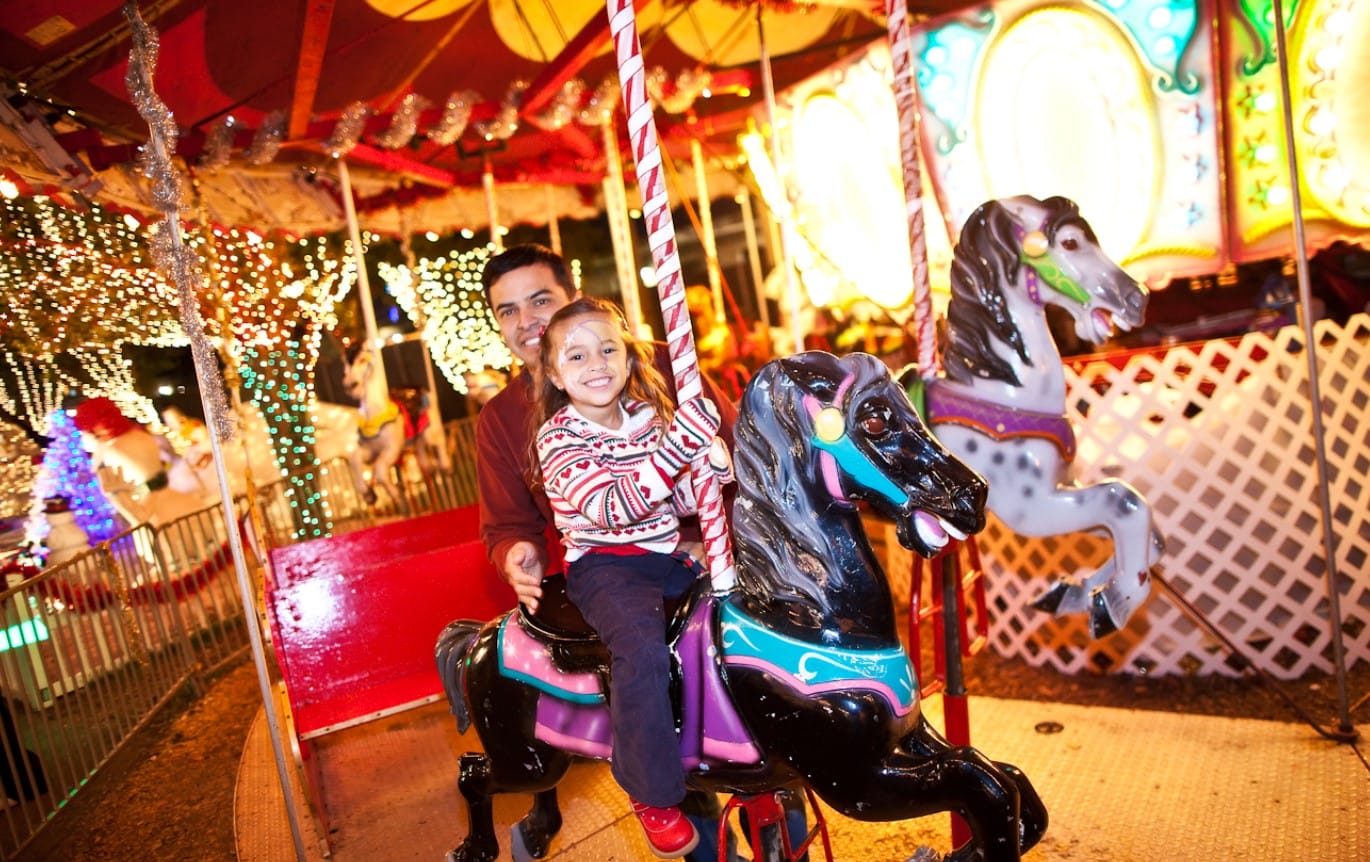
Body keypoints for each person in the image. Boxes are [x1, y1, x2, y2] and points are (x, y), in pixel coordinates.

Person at [474, 243, 742, 862]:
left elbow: (734, 463)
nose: (526, 321)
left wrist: (711, 481)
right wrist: (517, 552)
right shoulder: (517, 424)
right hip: (613, 565)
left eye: (540, 299)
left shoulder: (658, 374)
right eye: (507, 311)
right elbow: (513, 523)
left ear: (577, 300)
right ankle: (670, 799)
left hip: (702, 553)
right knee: (647, 658)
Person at [534, 296, 730, 858]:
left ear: (628, 357)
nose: (595, 363)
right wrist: (678, 450)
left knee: (735, 622)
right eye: (576, 356)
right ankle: (651, 791)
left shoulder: (650, 418)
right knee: (641, 652)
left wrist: (712, 467)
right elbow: (613, 508)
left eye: (608, 349)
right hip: (606, 568)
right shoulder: (559, 439)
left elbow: (680, 498)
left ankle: (733, 740)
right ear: (553, 373)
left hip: (667, 555)